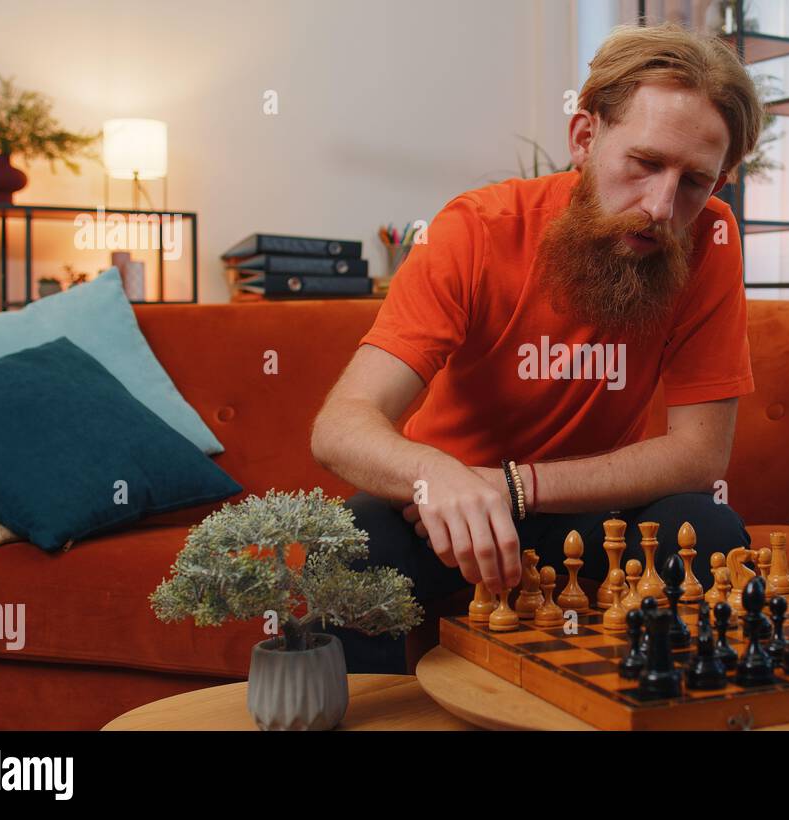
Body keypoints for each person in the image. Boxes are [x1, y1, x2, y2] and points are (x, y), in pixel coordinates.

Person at [310, 22, 764, 673]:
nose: (662, 207)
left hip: (588, 513)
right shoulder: (475, 229)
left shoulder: (709, 239)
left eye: (695, 181)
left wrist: (517, 487)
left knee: (709, 531)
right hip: (443, 518)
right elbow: (340, 424)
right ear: (585, 137)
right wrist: (439, 476)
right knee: (349, 545)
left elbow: (699, 455)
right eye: (643, 164)